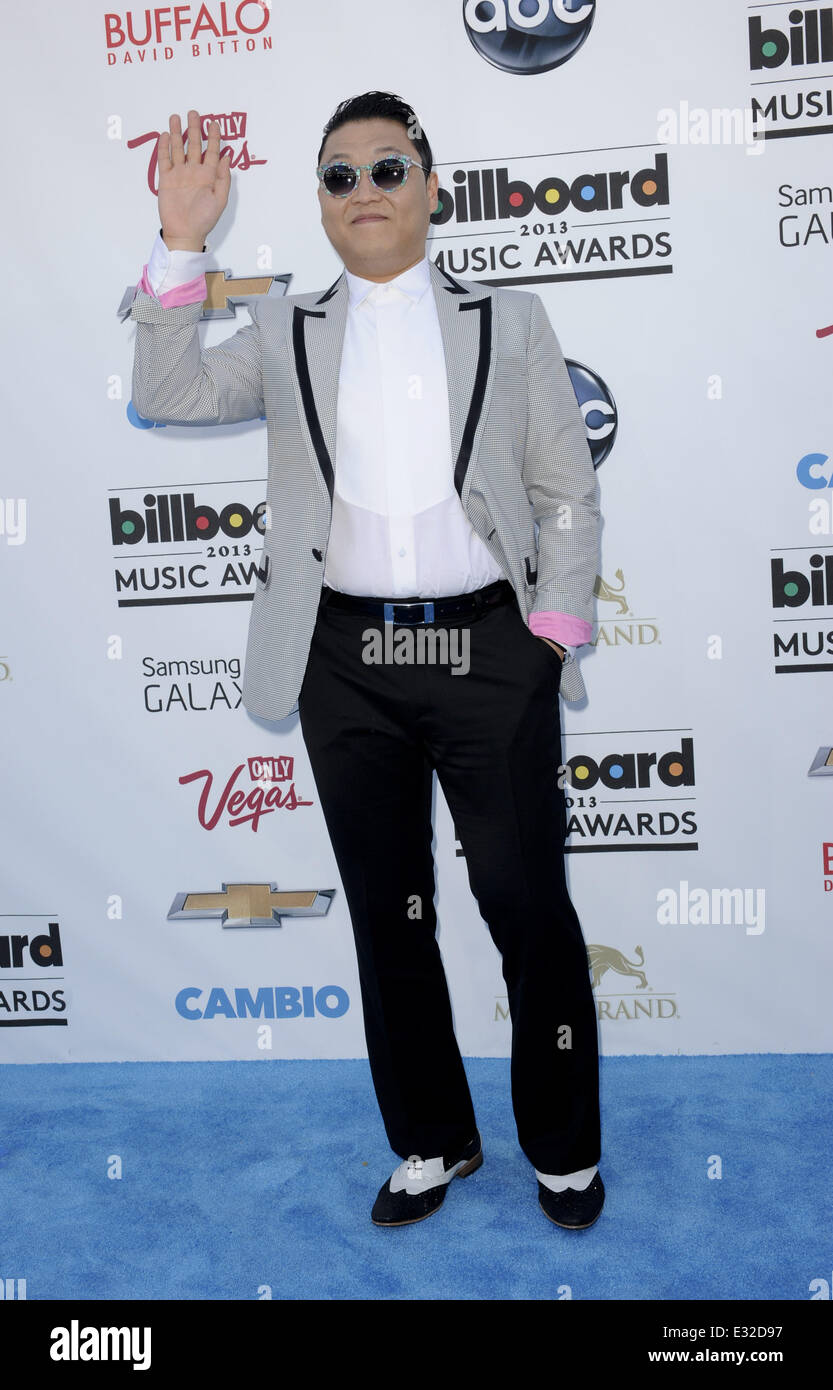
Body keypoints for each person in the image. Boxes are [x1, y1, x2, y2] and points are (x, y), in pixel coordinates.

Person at [130, 91, 604, 1230]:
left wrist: (552, 631)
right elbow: (166, 392)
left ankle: (563, 1145)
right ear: (322, 205)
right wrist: (182, 243)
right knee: (387, 914)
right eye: (338, 177)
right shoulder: (290, 331)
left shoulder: (509, 319)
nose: (365, 192)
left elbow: (564, 490)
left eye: (387, 168)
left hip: (489, 645)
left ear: (430, 185)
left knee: (524, 904)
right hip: (342, 658)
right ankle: (431, 1140)